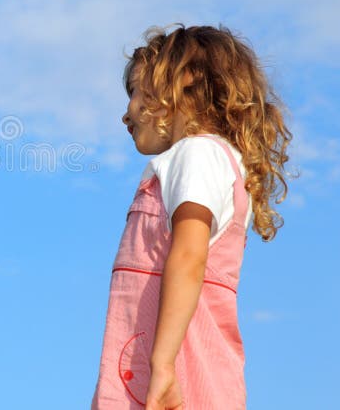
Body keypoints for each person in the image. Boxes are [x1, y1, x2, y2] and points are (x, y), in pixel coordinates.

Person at [91, 25, 292, 409]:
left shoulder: (197, 154)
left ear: (183, 80)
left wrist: (163, 365)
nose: (126, 113)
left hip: (178, 378)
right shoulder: (208, 160)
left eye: (135, 91)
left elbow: (188, 255)